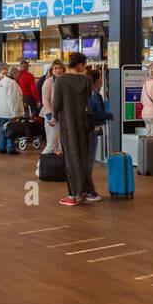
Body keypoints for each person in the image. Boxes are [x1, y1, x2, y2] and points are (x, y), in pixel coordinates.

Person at [52, 52, 100, 206]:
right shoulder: (87, 80)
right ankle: (86, 191)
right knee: (83, 156)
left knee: (71, 158)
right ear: (80, 65)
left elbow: (57, 103)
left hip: (68, 123)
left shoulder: (60, 81)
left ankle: (74, 195)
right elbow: (86, 101)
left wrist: (54, 116)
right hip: (83, 123)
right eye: (85, 64)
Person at [0, 67, 23, 154]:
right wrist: (15, 113)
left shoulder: (1, 81)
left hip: (2, 111)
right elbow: (13, 99)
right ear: (14, 74)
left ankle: (2, 146)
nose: (18, 76)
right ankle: (10, 148)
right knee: (11, 129)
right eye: (18, 74)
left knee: (2, 129)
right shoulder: (12, 83)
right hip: (10, 111)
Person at [87, 67, 112, 166]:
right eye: (100, 77)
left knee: (89, 157)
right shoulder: (93, 95)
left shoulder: (92, 93)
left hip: (90, 128)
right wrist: (107, 115)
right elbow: (93, 113)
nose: (102, 79)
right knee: (90, 157)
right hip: (91, 129)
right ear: (96, 80)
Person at [41, 60, 65, 155]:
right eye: (55, 68)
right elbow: (45, 101)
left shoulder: (64, 81)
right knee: (51, 145)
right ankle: (40, 169)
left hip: (61, 117)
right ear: (52, 70)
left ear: (63, 69)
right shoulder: (48, 82)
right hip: (51, 117)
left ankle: (57, 170)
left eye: (60, 68)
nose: (58, 70)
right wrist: (50, 116)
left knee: (59, 147)